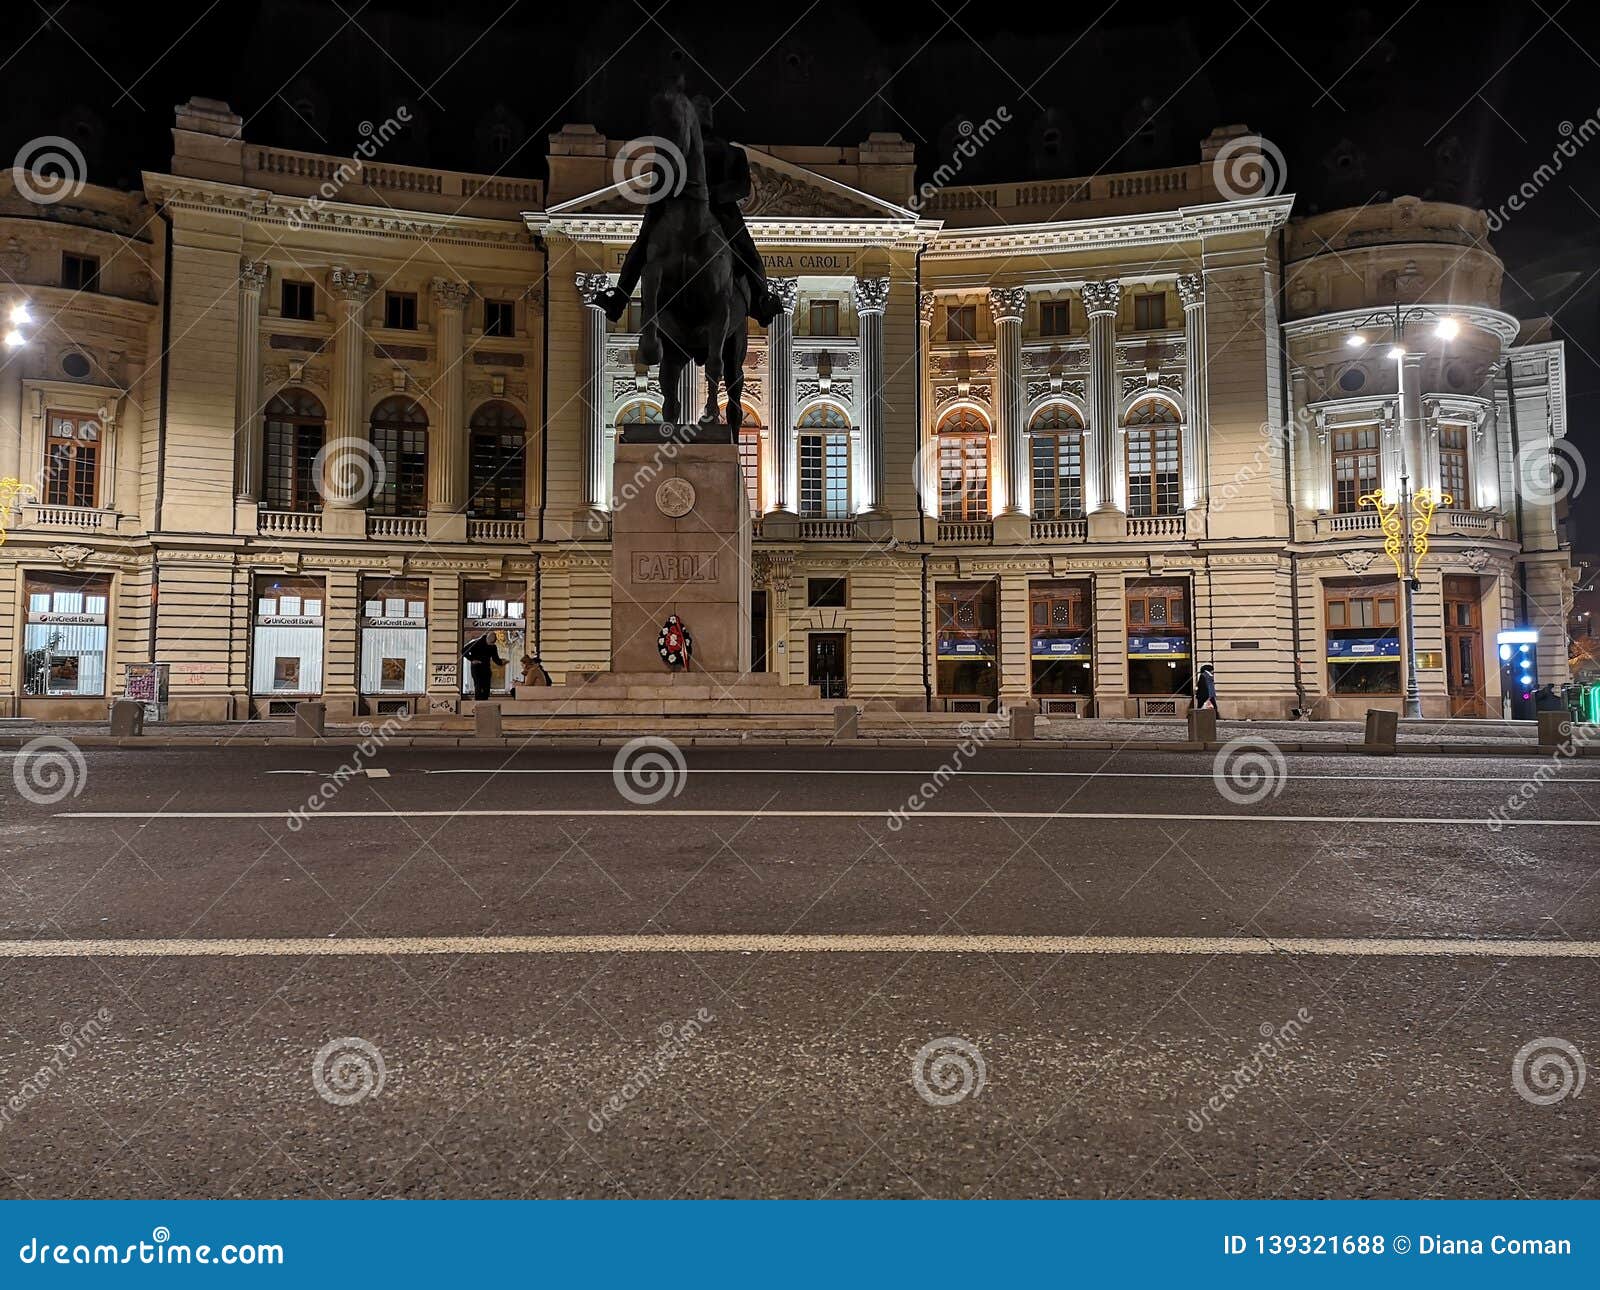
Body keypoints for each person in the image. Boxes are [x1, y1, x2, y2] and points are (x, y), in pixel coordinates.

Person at [594, 94, 780, 328]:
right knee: (642, 246)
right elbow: (658, 188)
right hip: (674, 210)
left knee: (746, 249)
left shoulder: (730, 153)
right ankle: (619, 299)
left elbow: (741, 186)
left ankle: (762, 299)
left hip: (720, 214)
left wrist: (709, 195)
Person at [463, 629, 505, 701]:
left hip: (486, 669)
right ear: (487, 639)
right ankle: (478, 703)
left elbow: (495, 659)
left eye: (493, 643)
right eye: (490, 643)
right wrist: (472, 659)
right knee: (478, 686)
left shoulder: (493, 647)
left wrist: (502, 662)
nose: (491, 645)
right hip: (476, 669)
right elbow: (463, 651)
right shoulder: (476, 643)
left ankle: (484, 702)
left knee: (486, 688)